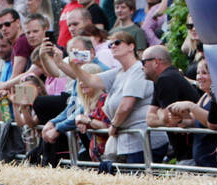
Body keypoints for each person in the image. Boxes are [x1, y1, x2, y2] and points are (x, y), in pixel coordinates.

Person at [62, 30, 157, 165]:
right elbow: (90, 80)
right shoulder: (119, 72)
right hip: (128, 141)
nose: (113, 46)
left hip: (142, 141)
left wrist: (114, 125)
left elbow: (126, 105)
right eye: (110, 44)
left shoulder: (137, 70)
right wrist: (75, 67)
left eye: (117, 42)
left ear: (131, 46)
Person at [142, 44, 201, 162]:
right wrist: (162, 115)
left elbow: (169, 120)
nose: (142, 67)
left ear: (156, 62)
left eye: (143, 62)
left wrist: (160, 114)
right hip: (186, 152)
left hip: (191, 154)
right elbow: (150, 119)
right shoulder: (162, 79)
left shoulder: (166, 79)